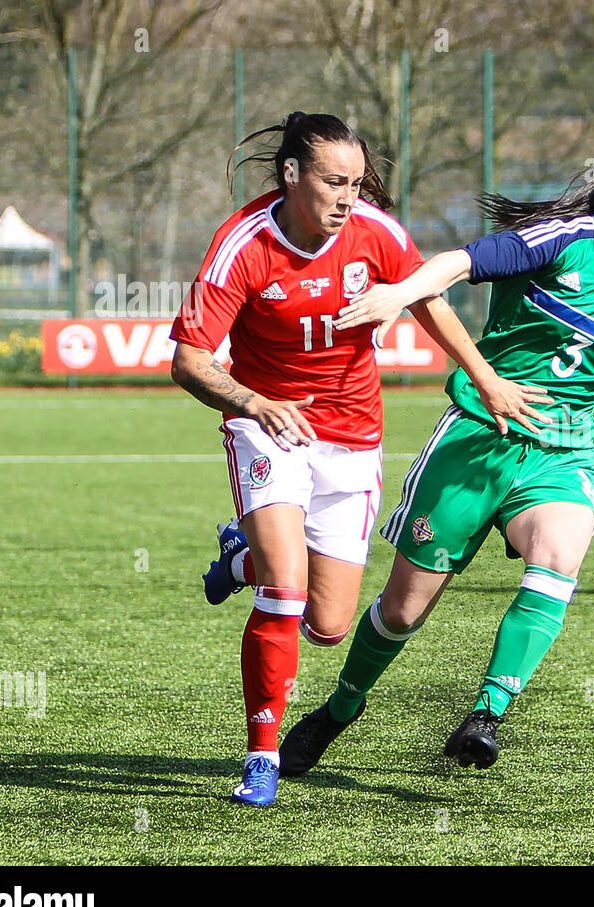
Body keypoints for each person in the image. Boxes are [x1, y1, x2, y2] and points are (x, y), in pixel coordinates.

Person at [279, 143, 594, 776]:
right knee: (403, 610)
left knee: (558, 558)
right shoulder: (562, 240)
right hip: (476, 437)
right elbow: (457, 263)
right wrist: (397, 296)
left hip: (561, 453)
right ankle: (342, 707)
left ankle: (487, 714)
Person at [168, 111, 546, 807]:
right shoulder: (243, 243)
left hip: (351, 435)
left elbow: (427, 301)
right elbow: (189, 361)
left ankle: (239, 554)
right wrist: (251, 402)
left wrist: (485, 377)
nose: (348, 196)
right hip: (268, 429)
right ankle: (260, 756)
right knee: (283, 592)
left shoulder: (376, 233)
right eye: (333, 182)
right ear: (291, 175)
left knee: (329, 624)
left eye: (357, 182)